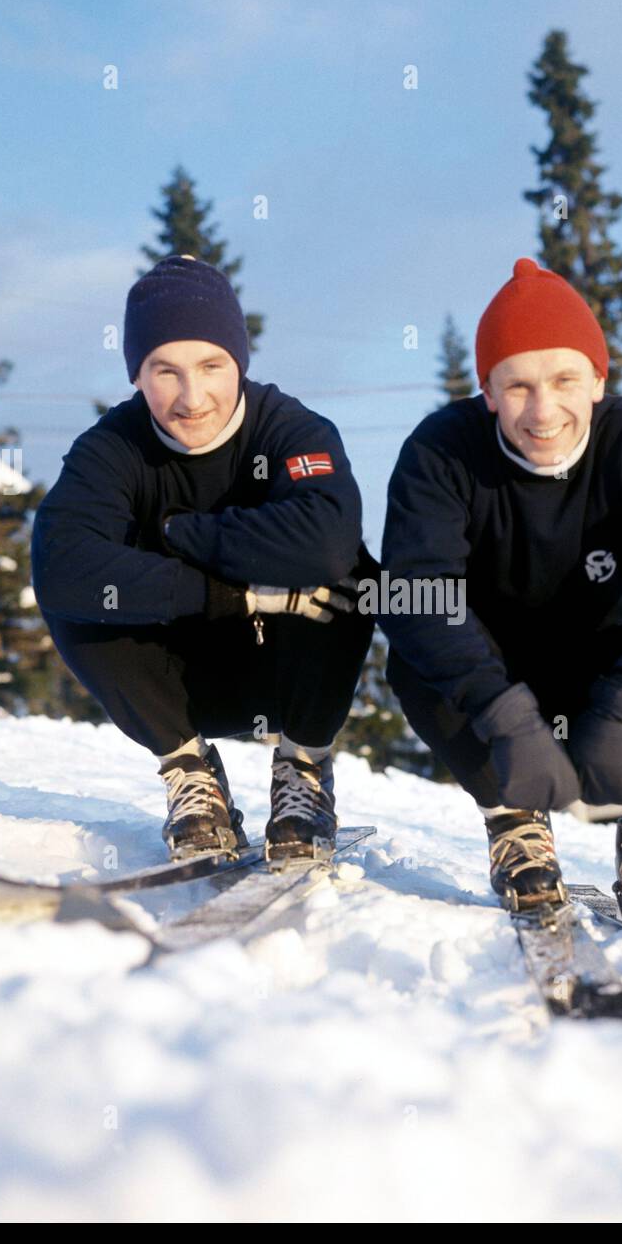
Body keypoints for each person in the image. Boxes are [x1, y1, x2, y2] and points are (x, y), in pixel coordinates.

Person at [379, 257, 622, 926]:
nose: (543, 410)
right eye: (517, 385)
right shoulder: (440, 453)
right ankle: (515, 824)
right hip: (494, 673)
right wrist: (504, 713)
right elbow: (413, 594)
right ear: (487, 391)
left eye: (564, 379)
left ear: (598, 380)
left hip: (603, 669)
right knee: (413, 662)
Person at [31, 255, 373, 864]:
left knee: (349, 575)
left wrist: (180, 532)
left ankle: (303, 771)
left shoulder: (289, 430)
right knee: (76, 596)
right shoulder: (111, 449)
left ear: (238, 362)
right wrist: (236, 590)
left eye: (212, 366)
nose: (192, 398)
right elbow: (61, 564)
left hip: (283, 666)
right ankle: (191, 773)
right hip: (175, 675)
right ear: (137, 375)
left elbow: (325, 540)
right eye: (166, 371)